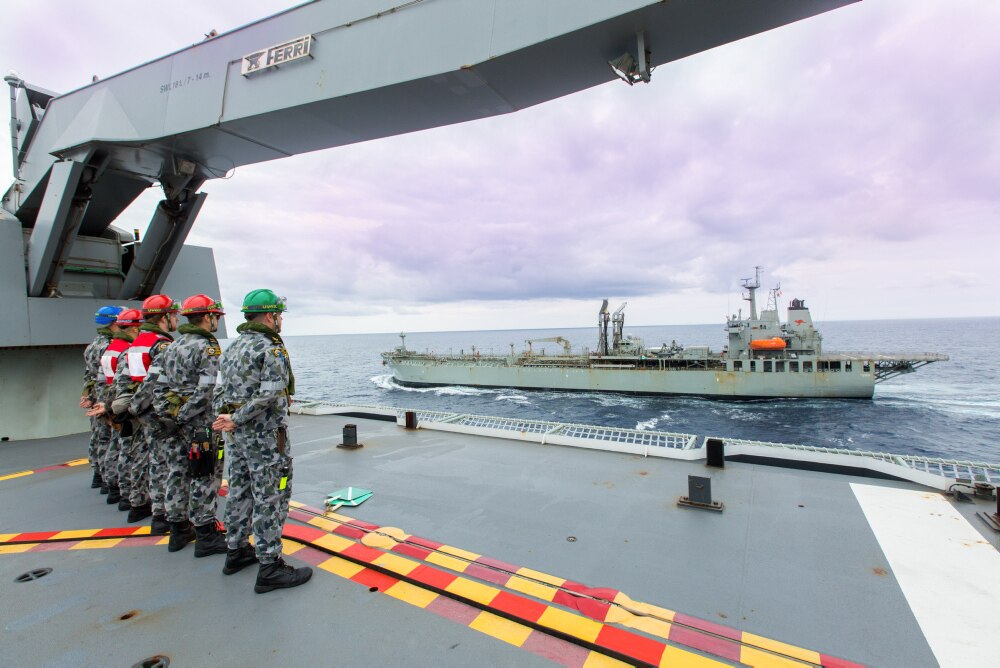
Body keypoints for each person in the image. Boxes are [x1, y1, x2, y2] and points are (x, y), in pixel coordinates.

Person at [212, 289, 312, 593]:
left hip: (237, 438)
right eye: (279, 315)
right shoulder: (271, 349)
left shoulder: (231, 348)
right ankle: (269, 566)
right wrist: (238, 418)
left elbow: (219, 391)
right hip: (266, 438)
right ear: (271, 316)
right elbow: (269, 395)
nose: (280, 320)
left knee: (240, 491)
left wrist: (227, 419)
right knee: (271, 495)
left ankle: (236, 551)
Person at [155, 294, 228, 555]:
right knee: (204, 476)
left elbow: (160, 385)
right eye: (216, 316)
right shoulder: (207, 347)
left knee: (177, 473)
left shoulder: (172, 346)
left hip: (173, 424)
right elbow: (207, 392)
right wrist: (184, 416)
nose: (217, 320)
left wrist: (170, 416)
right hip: (200, 426)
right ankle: (205, 534)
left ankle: (177, 531)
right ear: (208, 317)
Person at [125, 295, 179, 529]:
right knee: (169, 465)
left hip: (141, 413)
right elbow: (153, 381)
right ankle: (169, 515)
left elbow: (128, 379)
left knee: (152, 462)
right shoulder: (162, 345)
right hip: (156, 412)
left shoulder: (136, 344)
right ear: (165, 317)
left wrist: (130, 407)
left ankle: (156, 512)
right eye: (174, 315)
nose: (176, 319)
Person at [87, 308, 143, 507]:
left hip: (104, 401)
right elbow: (120, 382)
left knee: (107, 442)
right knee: (126, 448)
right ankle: (124, 491)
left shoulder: (98, 347)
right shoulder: (121, 349)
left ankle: (108, 482)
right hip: (116, 404)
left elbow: (95, 377)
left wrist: (95, 399)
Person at [81, 306, 121, 491]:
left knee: (98, 437)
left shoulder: (93, 345)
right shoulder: (110, 346)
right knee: (111, 439)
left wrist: (88, 396)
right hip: (106, 399)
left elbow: (89, 376)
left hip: (96, 397)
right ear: (115, 322)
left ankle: (98, 473)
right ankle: (110, 480)